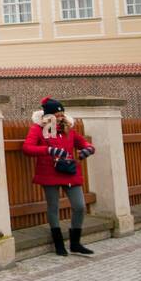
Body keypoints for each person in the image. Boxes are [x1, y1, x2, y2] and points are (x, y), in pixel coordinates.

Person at [22, 97, 96, 256]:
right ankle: (59, 244)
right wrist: (48, 150)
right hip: (49, 172)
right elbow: (27, 148)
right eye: (57, 114)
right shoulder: (38, 129)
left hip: (69, 171)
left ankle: (75, 243)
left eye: (62, 114)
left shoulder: (69, 130)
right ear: (48, 116)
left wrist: (88, 149)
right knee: (53, 207)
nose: (61, 117)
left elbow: (84, 143)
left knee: (80, 206)